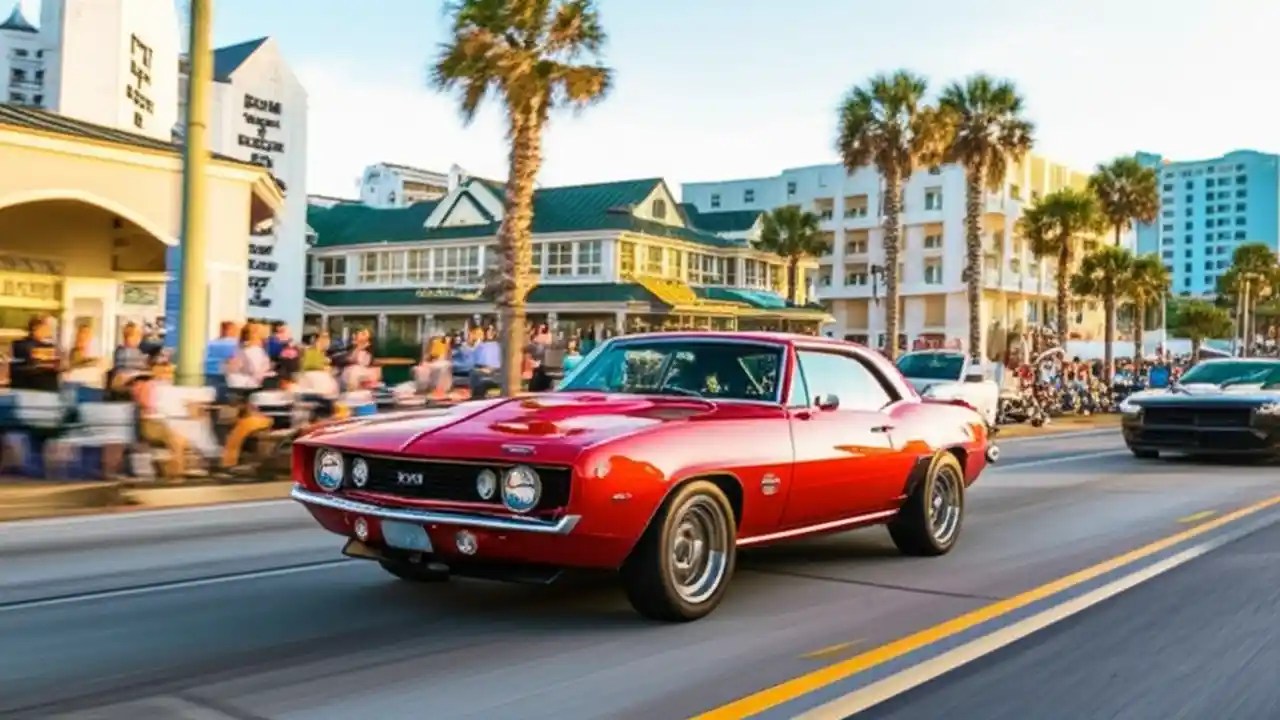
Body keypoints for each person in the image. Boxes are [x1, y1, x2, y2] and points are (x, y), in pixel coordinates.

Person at [9, 314, 62, 393]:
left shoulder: (50, 346)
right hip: (31, 391)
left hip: (48, 392)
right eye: (47, 327)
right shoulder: (21, 345)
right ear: (36, 328)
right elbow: (31, 357)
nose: (50, 330)